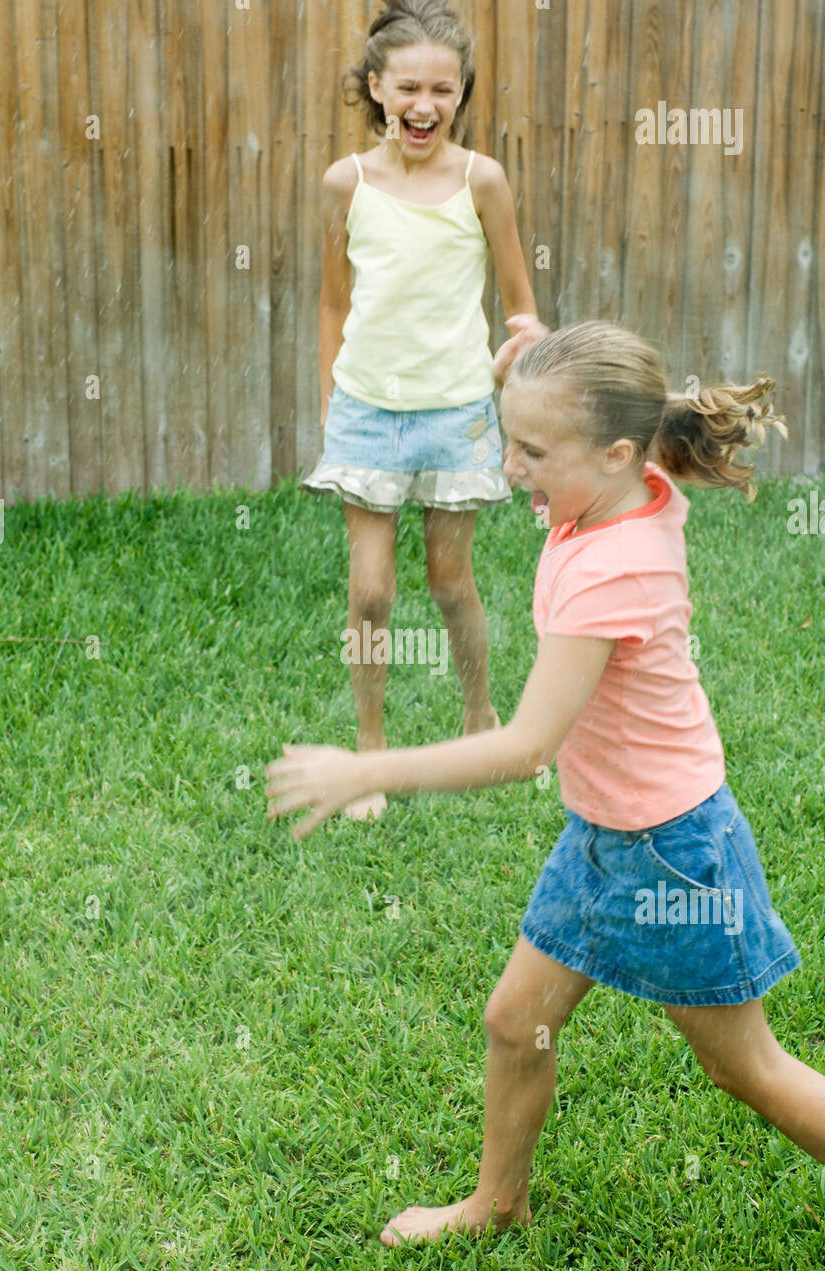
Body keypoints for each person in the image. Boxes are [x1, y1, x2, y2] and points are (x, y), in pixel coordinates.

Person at [268, 318, 825, 1248]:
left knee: (747, 1069)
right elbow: (584, 405)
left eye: (530, 450)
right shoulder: (621, 483)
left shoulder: (613, 568)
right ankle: (496, 1206)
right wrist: (529, 357)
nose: (511, 468)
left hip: (673, 854)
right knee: (514, 1020)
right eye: (507, 439)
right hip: (604, 838)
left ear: (613, 453)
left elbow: (525, 746)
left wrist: (368, 767)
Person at [301, 0, 548, 820]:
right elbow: (333, 305)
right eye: (407, 86)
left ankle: (481, 718)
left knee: (450, 584)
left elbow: (520, 305)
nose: (424, 105)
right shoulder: (347, 183)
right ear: (376, 88)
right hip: (369, 413)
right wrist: (334, 395)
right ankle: (371, 751)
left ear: (459, 93)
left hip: (455, 415)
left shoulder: (482, 181)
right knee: (370, 590)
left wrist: (525, 347)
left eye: (442, 89)